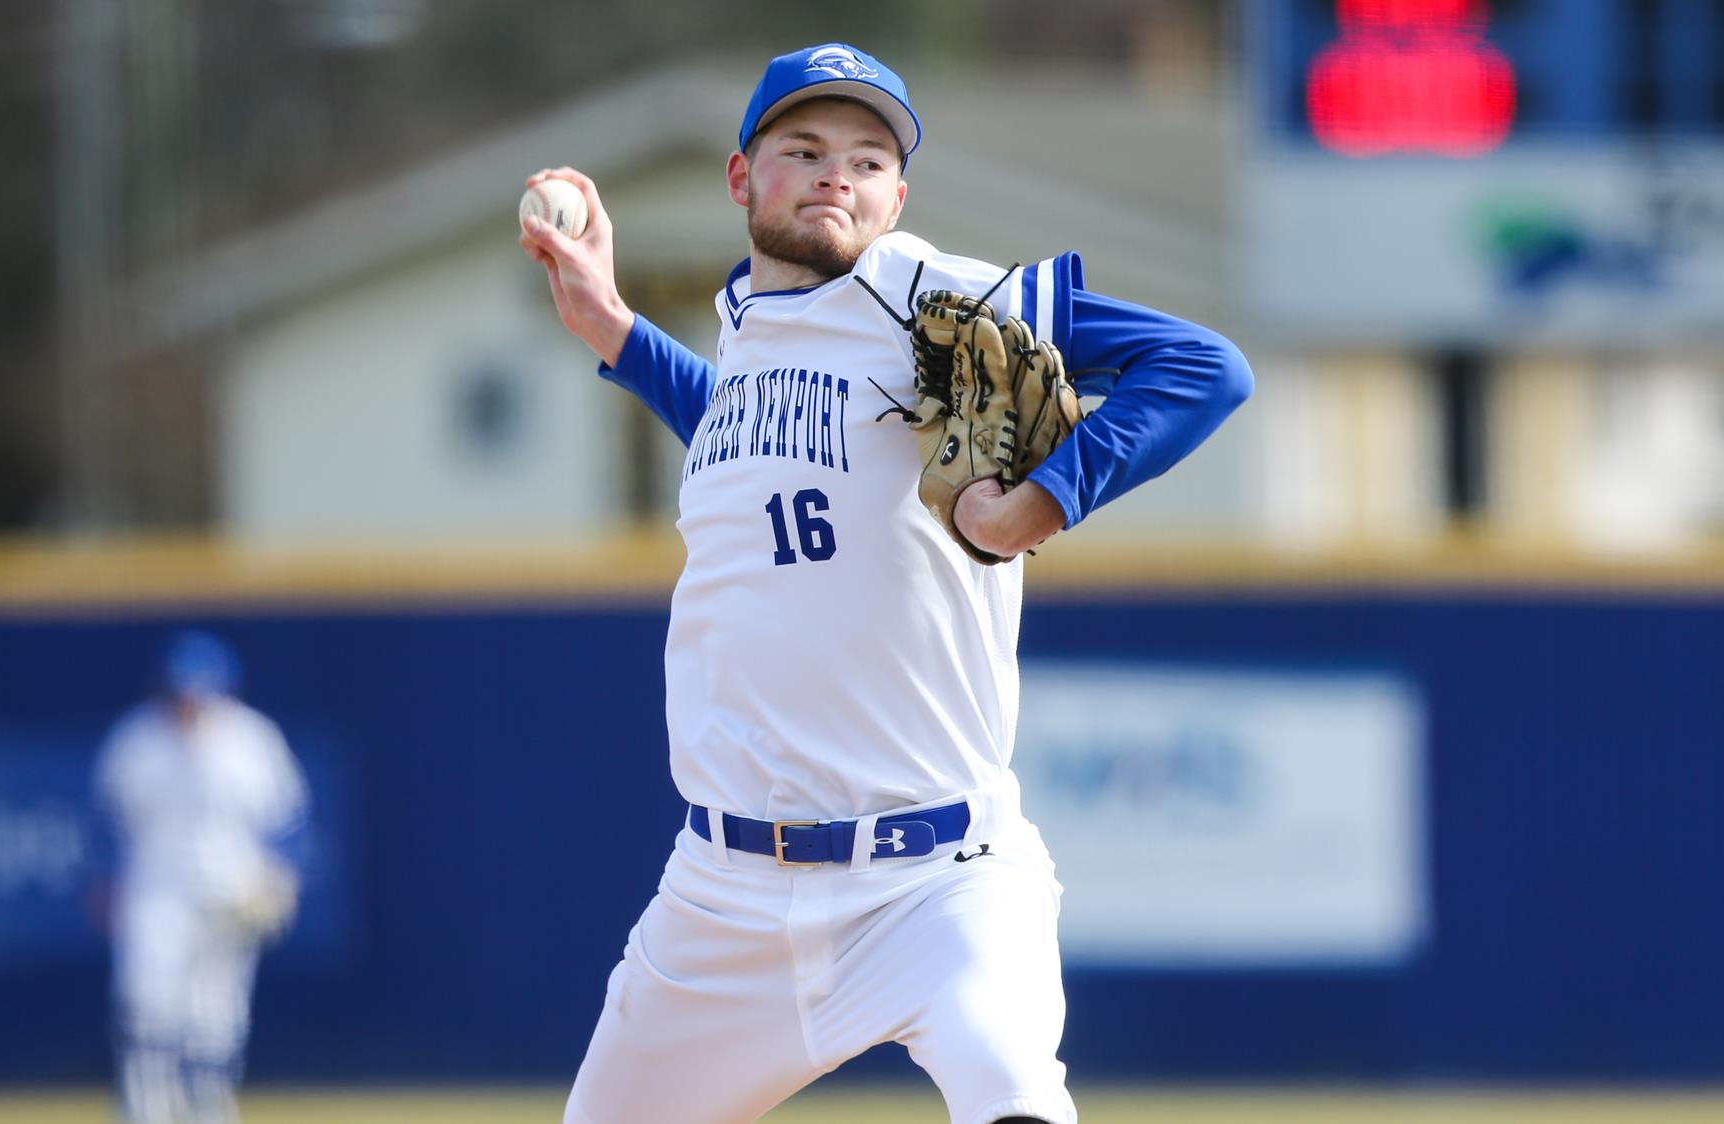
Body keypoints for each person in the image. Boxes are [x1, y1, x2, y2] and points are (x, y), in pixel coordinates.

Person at [519, 42, 1252, 1124]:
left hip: (937, 876)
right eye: (803, 149)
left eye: (866, 160)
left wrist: (1034, 505)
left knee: (1010, 1096)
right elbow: (741, 427)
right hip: (721, 900)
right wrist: (609, 327)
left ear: (896, 195)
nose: (836, 176)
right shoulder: (752, 334)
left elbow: (1203, 369)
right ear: (740, 179)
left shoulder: (923, 297)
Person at [94, 631, 308, 1124]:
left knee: (219, 1012)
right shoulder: (137, 741)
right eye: (182, 693)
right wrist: (105, 882)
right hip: (157, 890)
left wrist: (281, 875)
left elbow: (291, 819)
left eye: (200, 694)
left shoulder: (252, 740)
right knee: (148, 999)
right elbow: (105, 820)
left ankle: (208, 1108)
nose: (191, 706)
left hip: (232, 890)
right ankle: (144, 1106)